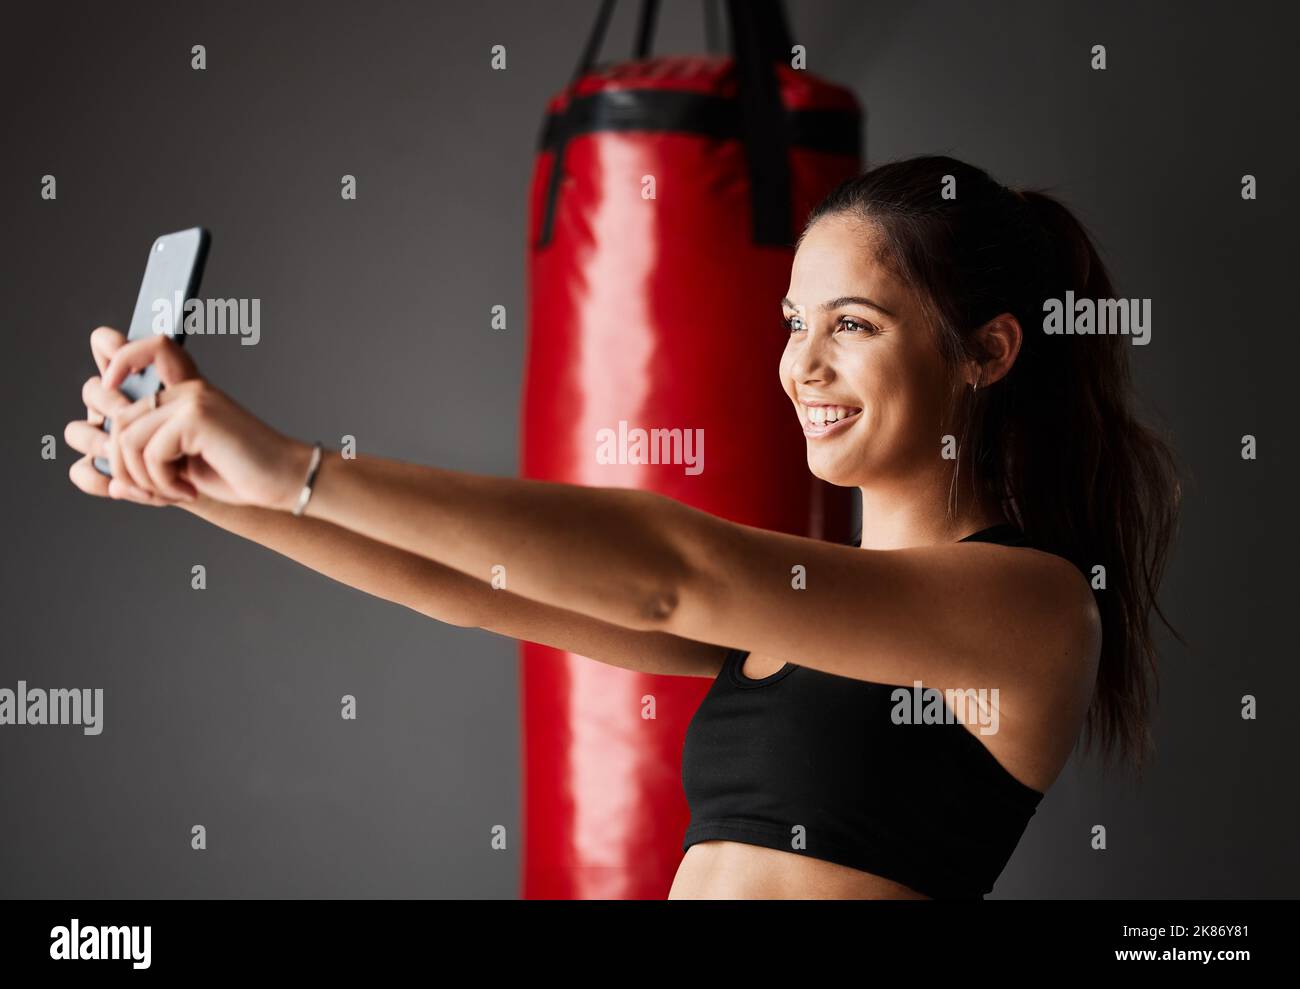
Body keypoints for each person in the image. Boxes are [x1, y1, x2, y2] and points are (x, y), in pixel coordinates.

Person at [64, 155, 1180, 899]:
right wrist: (219, 487)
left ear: (985, 353)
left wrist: (297, 466)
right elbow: (473, 583)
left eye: (853, 323)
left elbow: (671, 572)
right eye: (795, 323)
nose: (803, 364)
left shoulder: (1031, 604)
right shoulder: (795, 613)